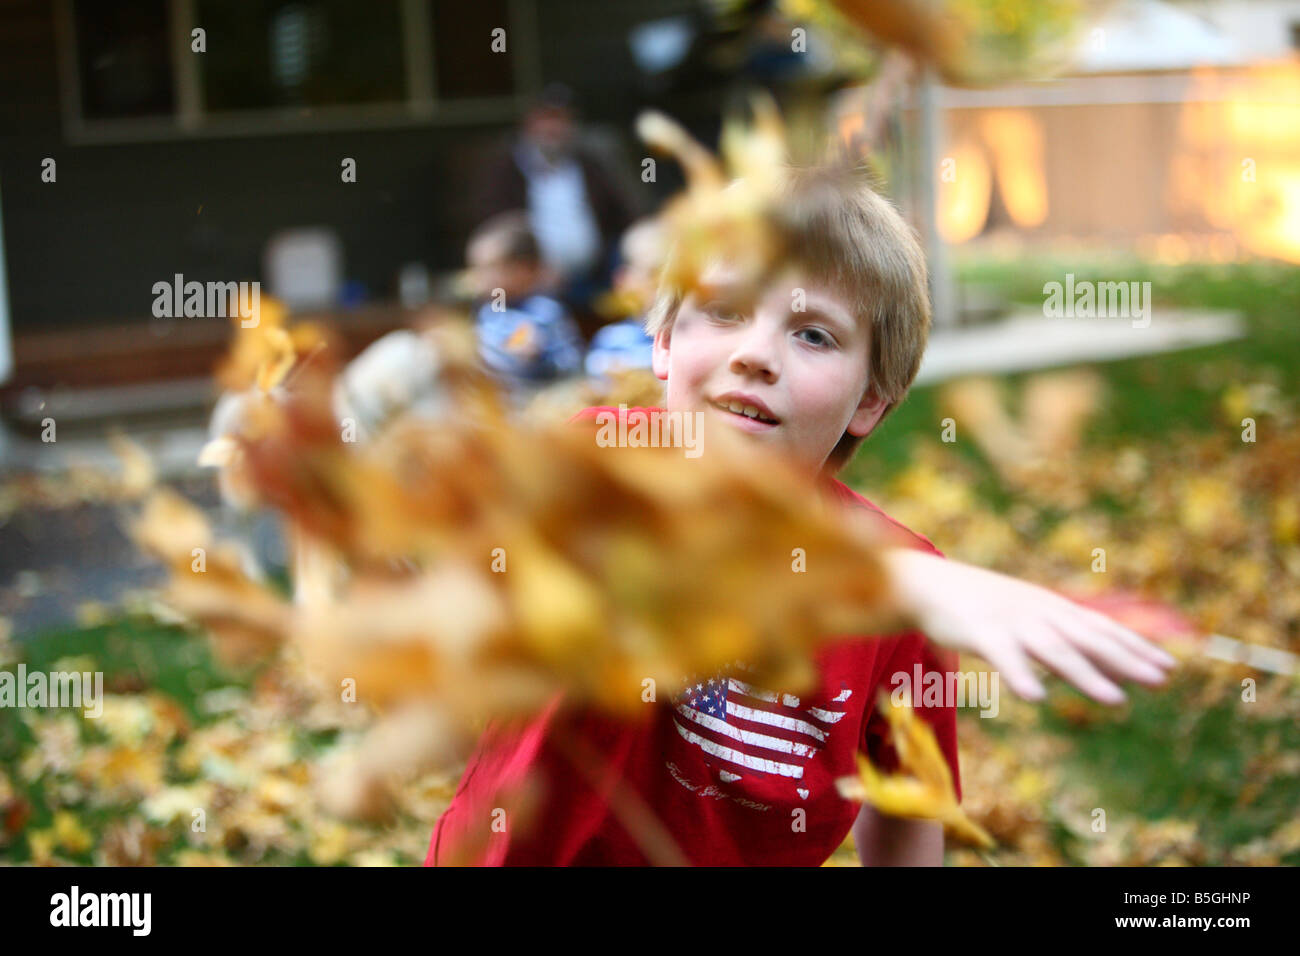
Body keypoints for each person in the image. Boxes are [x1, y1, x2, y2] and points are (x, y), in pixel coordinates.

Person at [424, 161, 1176, 866]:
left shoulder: (905, 597)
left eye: (813, 333)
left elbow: (911, 816)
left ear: (871, 401)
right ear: (661, 342)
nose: (757, 353)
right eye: (723, 309)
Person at [478, 83, 635, 322]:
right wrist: (536, 267)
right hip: (532, 277)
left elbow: (624, 215)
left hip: (595, 274)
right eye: (546, 118)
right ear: (529, 122)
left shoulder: (590, 164)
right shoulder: (505, 169)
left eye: (561, 119)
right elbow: (497, 229)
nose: (553, 128)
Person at [465, 211, 585, 403]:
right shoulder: (488, 312)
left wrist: (539, 359)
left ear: (525, 269)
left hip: (535, 403)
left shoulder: (545, 312)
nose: (480, 279)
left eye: (489, 268)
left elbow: (573, 364)